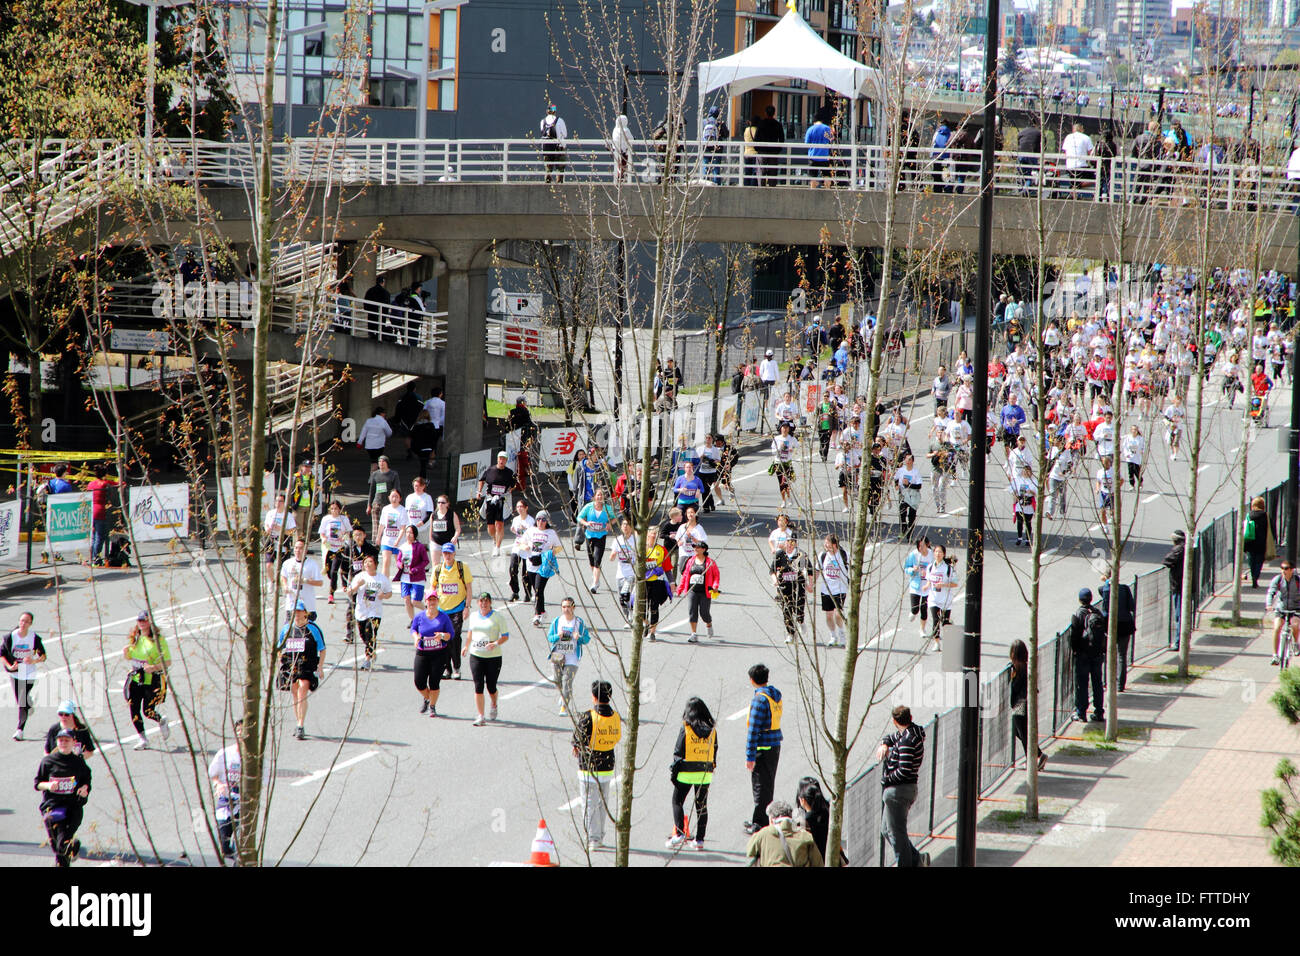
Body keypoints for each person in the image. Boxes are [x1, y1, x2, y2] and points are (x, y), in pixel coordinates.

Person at [877, 704, 928, 867]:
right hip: (903, 789)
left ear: (894, 721)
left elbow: (904, 770)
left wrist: (886, 779)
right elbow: (892, 738)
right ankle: (917, 860)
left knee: (897, 834)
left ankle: (908, 863)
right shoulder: (909, 733)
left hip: (899, 791)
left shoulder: (906, 740)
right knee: (887, 829)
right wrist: (885, 743)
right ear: (910, 718)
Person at [574, 680, 621, 852]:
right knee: (602, 802)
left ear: (594, 697)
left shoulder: (588, 716)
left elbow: (578, 739)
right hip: (607, 765)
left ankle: (593, 838)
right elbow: (617, 738)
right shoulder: (616, 716)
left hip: (589, 766)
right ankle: (600, 835)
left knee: (589, 802)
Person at [665, 697, 717, 851]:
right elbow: (715, 749)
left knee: (677, 801)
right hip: (705, 772)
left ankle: (680, 833)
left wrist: (675, 770)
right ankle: (699, 840)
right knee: (702, 805)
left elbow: (678, 751)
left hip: (687, 771)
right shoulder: (712, 729)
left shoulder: (686, 727)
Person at [35, 728, 92, 866]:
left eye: (67, 740)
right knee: (57, 846)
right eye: (61, 740)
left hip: (73, 807)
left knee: (63, 842)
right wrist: (48, 785)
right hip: (52, 806)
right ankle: (71, 849)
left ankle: (70, 848)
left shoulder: (78, 762)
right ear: (56, 742)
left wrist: (85, 789)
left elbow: (86, 781)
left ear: (73, 742)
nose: (64, 743)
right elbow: (37, 784)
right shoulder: (48, 761)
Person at [743, 663, 783, 835]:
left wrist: (749, 756)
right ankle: (762, 818)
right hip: (774, 745)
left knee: (760, 786)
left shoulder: (759, 700)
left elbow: (753, 730)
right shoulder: (775, 695)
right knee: (767, 785)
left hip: (763, 747)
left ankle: (760, 823)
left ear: (752, 680)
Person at [122, 611, 172, 750]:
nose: (141, 623)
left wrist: (154, 667)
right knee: (134, 709)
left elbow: (167, 661)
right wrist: (126, 653)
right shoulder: (135, 638)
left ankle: (161, 720)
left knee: (148, 710)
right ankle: (143, 739)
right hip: (136, 678)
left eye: (144, 620)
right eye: (139, 620)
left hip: (151, 679)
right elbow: (130, 657)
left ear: (150, 621)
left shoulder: (158, 640)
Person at [277, 602, 326, 739]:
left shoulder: (313, 629)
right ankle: (298, 720)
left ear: (305, 613)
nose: (297, 614)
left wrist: (320, 667)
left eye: (299, 611)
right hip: (291, 665)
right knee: (295, 692)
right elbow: (279, 647)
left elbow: (322, 649)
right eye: (294, 612)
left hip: (307, 665)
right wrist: (281, 660)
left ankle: (300, 725)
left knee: (303, 689)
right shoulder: (286, 629)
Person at [462, 592, 509, 726]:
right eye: (481, 601)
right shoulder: (474, 616)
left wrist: (495, 643)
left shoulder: (498, 617)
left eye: (486, 601)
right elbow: (470, 632)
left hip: (493, 657)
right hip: (476, 655)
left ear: (490, 603)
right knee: (478, 685)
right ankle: (481, 715)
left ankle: (494, 703)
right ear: (478, 603)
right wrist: (466, 646)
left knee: (491, 686)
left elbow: (505, 636)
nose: (484, 604)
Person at [3, 611, 46, 741]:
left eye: (26, 621)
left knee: (22, 701)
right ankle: (28, 705)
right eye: (22, 620)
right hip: (15, 673)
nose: (23, 623)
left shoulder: (34, 638)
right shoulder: (10, 637)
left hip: (28, 672)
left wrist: (33, 661)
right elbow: (2, 653)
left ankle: (20, 730)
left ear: (30, 623)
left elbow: (43, 656)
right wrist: (10, 666)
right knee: (21, 701)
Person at [411, 593, 456, 716]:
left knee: (434, 682)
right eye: (429, 600)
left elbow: (451, 634)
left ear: (438, 602)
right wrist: (416, 637)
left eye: (434, 600)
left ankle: (432, 706)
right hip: (423, 653)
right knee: (419, 682)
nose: (432, 602)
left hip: (439, 653)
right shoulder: (419, 616)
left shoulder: (444, 617)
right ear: (426, 602)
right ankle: (427, 697)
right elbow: (413, 629)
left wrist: (441, 635)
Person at [547, 597, 594, 715]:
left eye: (568, 606)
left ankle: (564, 707)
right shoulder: (557, 621)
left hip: (572, 656)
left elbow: (587, 639)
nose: (566, 609)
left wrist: (580, 638)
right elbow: (550, 638)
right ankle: (563, 695)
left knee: (567, 681)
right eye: (563, 607)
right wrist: (558, 636)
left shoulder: (579, 623)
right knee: (557, 680)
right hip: (558, 654)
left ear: (573, 607)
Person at [346, 552, 392, 671]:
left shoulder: (382, 578)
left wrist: (384, 595)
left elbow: (389, 592)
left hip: (375, 612)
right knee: (363, 635)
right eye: (365, 562)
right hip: (361, 611)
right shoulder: (360, 576)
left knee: (370, 634)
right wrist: (357, 586)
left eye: (370, 562)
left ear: (375, 564)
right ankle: (372, 653)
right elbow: (350, 592)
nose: (367, 564)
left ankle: (367, 659)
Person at [207, 719, 246, 859]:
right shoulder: (224, 753)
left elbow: (262, 779)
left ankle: (238, 858)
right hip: (226, 800)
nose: (241, 733)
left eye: (244, 730)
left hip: (245, 802)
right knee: (224, 843)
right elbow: (213, 774)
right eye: (239, 730)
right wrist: (218, 784)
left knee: (240, 844)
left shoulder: (255, 757)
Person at [433, 542, 472, 680]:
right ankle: (447, 668)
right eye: (445, 553)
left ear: (454, 553)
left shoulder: (462, 568)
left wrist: (467, 607)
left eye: (450, 553)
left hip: (457, 608)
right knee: (443, 639)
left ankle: (457, 667)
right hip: (442, 610)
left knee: (454, 638)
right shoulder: (438, 570)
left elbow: (468, 588)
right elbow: (433, 590)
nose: (447, 556)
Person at [745, 798, 822, 867]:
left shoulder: (763, 833)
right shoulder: (805, 836)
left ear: (771, 819)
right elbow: (818, 863)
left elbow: (750, 851)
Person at [1069, 588, 1106, 723]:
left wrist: (1075, 650)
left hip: (1083, 654)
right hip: (1097, 654)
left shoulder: (1079, 613)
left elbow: (1075, 635)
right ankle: (1099, 712)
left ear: (1080, 599)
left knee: (1082, 684)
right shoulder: (1097, 613)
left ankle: (1081, 713)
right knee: (1097, 683)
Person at [1009, 641, 1047, 771]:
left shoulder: (1020, 670)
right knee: (1019, 731)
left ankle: (1034, 758)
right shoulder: (1025, 667)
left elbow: (1015, 687)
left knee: (1023, 733)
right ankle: (1037, 755)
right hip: (1024, 702)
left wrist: (1012, 678)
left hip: (1020, 704)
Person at [1098, 568, 1136, 693]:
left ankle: (1108, 681)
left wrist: (1107, 582)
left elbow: (1104, 610)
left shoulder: (1106, 590)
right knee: (1122, 655)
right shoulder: (1125, 589)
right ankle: (1120, 684)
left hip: (1112, 625)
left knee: (1110, 654)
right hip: (1126, 624)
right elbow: (1132, 606)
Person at [676, 540, 719, 644]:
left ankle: (708, 624)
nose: (695, 549)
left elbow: (716, 576)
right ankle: (693, 634)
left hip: (705, 592)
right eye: (694, 547)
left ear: (704, 549)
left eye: (698, 547)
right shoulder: (690, 561)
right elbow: (685, 575)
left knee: (704, 613)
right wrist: (680, 589)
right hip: (692, 591)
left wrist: (715, 586)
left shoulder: (710, 562)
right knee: (692, 612)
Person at [770, 536, 812, 644]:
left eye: (792, 543)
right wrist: (775, 580)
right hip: (784, 586)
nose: (789, 545)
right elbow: (772, 570)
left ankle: (801, 621)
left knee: (798, 609)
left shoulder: (801, 555)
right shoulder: (780, 555)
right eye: (788, 543)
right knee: (787, 611)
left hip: (798, 586)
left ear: (796, 544)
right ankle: (791, 634)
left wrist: (810, 584)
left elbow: (809, 570)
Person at [525, 511, 562, 625]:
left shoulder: (551, 533)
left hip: (544, 565)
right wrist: (526, 547)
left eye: (543, 520)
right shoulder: (530, 531)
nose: (540, 522)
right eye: (538, 519)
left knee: (538, 590)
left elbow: (559, 547)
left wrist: (552, 552)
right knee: (536, 590)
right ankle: (542, 610)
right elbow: (520, 543)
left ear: (547, 521)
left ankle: (537, 615)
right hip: (531, 564)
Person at [576, 488, 617, 594]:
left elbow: (615, 518)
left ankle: (595, 583)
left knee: (597, 560)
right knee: (591, 561)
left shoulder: (607, 508)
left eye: (601, 495)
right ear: (594, 497)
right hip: (589, 536)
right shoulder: (588, 507)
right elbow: (579, 517)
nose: (599, 497)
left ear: (604, 497)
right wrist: (586, 523)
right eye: (598, 495)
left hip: (601, 536)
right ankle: (596, 577)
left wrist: (609, 524)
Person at [477, 451, 517, 556]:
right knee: (490, 527)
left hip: (502, 500)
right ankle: (494, 540)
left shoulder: (509, 472)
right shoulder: (490, 470)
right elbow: (481, 480)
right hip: (490, 499)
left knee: (499, 524)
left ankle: (498, 547)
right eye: (500, 458)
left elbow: (513, 485)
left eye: (504, 459)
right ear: (497, 459)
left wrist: (509, 491)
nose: (502, 460)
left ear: (506, 460)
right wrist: (479, 492)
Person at [815, 533, 849, 647]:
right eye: (825, 543)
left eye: (827, 543)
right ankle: (833, 636)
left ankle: (841, 634)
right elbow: (817, 570)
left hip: (840, 589)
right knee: (829, 616)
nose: (825, 545)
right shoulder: (823, 556)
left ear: (834, 544)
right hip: (826, 590)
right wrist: (812, 583)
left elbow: (853, 570)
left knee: (838, 614)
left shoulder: (844, 555)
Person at [922, 543, 958, 650]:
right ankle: (937, 643)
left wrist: (943, 585)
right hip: (934, 599)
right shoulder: (930, 567)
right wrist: (926, 586)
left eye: (940, 552)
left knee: (945, 623)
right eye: (936, 552)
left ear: (944, 554)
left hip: (946, 599)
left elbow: (955, 584)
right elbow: (929, 581)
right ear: (933, 553)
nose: (938, 554)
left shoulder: (948, 569)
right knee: (935, 620)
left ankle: (950, 625)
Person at [279, 537, 324, 624]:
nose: (297, 550)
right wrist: (285, 586)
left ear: (305, 550)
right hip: (291, 605)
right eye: (296, 548)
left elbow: (320, 582)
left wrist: (306, 581)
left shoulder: (312, 564)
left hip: (308, 606)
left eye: (300, 548)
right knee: (290, 632)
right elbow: (283, 576)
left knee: (306, 633)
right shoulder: (287, 563)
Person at [317, 501, 353, 604]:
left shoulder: (343, 519)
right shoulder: (326, 519)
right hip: (329, 547)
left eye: (336, 508)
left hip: (340, 548)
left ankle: (331, 594)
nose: (334, 511)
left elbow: (348, 532)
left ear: (340, 509)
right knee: (329, 572)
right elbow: (322, 533)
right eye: (332, 509)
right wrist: (323, 538)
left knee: (334, 571)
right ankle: (334, 582)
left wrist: (344, 537)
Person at [394, 524, 430, 623]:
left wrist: (415, 569)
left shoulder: (420, 547)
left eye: (411, 533)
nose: (409, 535)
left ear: (415, 534)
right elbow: (398, 560)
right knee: (406, 600)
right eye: (407, 532)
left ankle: (428, 612)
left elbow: (426, 561)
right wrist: (399, 564)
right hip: (405, 577)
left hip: (417, 578)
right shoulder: (403, 547)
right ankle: (413, 620)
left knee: (415, 601)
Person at [1268, 561, 1300, 666]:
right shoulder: (1278, 580)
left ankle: (1295, 643)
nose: (1283, 571)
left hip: (1295, 608)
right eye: (1282, 568)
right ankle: (1275, 655)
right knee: (1277, 627)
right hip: (1281, 608)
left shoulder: (1297, 581)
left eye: (1286, 568)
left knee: (1295, 625)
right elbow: (1271, 592)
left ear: (1291, 570)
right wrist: (1269, 604)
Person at [643, 526, 671, 641]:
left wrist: (672, 582)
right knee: (641, 608)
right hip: (643, 582)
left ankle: (652, 632)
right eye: (652, 533)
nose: (653, 536)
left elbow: (667, 567)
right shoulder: (641, 549)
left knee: (654, 607)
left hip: (657, 582)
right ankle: (646, 623)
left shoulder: (661, 549)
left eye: (656, 534)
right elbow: (634, 564)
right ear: (647, 534)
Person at [86, 463, 118, 566]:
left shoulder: (91, 484)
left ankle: (92, 557)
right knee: (100, 536)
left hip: (91, 511)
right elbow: (120, 483)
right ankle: (96, 558)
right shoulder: (104, 483)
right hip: (101, 511)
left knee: (93, 536)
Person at [365, 454, 401, 541]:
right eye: (379, 461)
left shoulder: (393, 474)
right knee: (376, 526)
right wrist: (369, 505)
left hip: (388, 504)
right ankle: (375, 544)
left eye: (383, 461)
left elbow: (397, 489)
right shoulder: (375, 474)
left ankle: (386, 543)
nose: (381, 463)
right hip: (376, 502)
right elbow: (372, 490)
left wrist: (396, 502)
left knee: (387, 525)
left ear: (387, 463)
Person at [508, 498, 536, 603]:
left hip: (527, 548)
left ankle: (528, 593)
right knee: (512, 569)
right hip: (517, 546)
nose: (519, 509)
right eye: (518, 507)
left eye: (521, 507)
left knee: (526, 573)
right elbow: (513, 529)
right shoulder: (516, 520)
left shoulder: (531, 521)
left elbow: (533, 535)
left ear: (526, 508)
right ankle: (515, 592)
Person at [376, 488, 408, 579]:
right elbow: (382, 524)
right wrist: (378, 537)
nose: (394, 499)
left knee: (400, 564)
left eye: (396, 497)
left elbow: (403, 528)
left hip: (399, 542)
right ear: (389, 497)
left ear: (400, 498)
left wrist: (397, 541)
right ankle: (384, 584)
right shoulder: (385, 509)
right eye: (392, 496)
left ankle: (404, 581)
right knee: (386, 562)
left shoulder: (402, 510)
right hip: (387, 540)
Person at [1163, 530, 1187, 648]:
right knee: (1182, 614)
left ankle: (1179, 642)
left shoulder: (1178, 549)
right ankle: (1181, 640)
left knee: (1179, 615)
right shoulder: (1186, 549)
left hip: (1178, 585)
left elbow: (1167, 560)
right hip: (1183, 584)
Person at [262, 493, 296, 574]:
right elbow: (266, 525)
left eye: (280, 501)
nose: (278, 503)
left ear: (284, 503)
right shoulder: (270, 513)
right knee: (269, 565)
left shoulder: (288, 515)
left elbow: (292, 531)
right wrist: (268, 529)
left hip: (283, 541)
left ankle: (281, 582)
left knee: (284, 567)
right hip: (271, 541)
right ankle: (271, 583)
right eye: (276, 501)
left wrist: (281, 529)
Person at [894, 452, 923, 539]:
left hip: (913, 495)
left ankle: (910, 533)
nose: (908, 461)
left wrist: (909, 484)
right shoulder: (901, 470)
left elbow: (919, 485)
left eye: (910, 459)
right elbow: (896, 478)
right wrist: (896, 485)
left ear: (913, 461)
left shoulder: (915, 472)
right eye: (906, 459)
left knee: (912, 516)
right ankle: (903, 530)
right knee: (902, 513)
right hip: (903, 493)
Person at [755, 104, 785, 186]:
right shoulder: (778, 124)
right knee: (773, 172)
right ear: (774, 113)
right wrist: (777, 150)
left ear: (765, 113)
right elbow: (782, 139)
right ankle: (772, 187)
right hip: (773, 152)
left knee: (761, 172)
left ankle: (761, 188)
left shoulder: (761, 124)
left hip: (762, 151)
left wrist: (758, 149)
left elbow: (756, 138)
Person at [1244, 496, 1270, 589]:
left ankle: (1252, 576)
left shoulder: (1249, 515)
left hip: (1250, 542)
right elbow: (1270, 529)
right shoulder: (1265, 515)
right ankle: (1256, 576)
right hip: (1261, 543)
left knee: (1251, 561)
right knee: (1259, 562)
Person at [427, 493, 461, 563]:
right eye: (438, 502)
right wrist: (430, 540)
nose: (440, 504)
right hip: (435, 542)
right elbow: (431, 529)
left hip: (448, 543)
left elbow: (458, 529)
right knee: (435, 566)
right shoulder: (433, 515)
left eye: (443, 502)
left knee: (449, 564)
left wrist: (455, 537)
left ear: (447, 504)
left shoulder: (452, 514)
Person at [540, 103, 568, 183]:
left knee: (548, 165)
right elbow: (565, 134)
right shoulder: (560, 120)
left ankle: (548, 176)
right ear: (555, 111)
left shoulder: (543, 121)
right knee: (560, 166)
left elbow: (542, 132)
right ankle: (559, 179)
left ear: (547, 111)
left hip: (547, 148)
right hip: (558, 147)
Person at [770, 420, 797, 506]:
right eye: (783, 427)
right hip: (778, 463)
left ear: (789, 429)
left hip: (787, 463)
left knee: (786, 482)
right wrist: (779, 448)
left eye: (786, 427)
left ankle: (789, 497)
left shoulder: (792, 439)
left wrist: (792, 449)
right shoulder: (777, 439)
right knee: (781, 483)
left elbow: (797, 448)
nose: (785, 429)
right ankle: (783, 500)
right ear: (780, 428)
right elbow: (773, 452)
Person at [803, 112, 833, 187]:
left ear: (814, 121)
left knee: (812, 176)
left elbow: (807, 143)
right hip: (824, 156)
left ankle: (813, 191)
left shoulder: (810, 129)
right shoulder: (827, 128)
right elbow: (831, 140)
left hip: (813, 156)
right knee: (826, 175)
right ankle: (828, 190)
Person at [288, 459, 317, 538]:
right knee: (298, 528)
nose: (308, 469)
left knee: (307, 528)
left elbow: (314, 490)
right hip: (299, 505)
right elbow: (291, 491)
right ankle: (297, 546)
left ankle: (305, 547)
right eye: (306, 466)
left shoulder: (312, 477)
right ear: (302, 467)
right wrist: (292, 504)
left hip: (308, 505)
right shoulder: (296, 477)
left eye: (310, 467)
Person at [404, 475, 434, 546]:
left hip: (423, 528)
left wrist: (423, 522)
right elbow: (407, 511)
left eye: (419, 486)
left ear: (423, 486)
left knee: (423, 547)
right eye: (415, 486)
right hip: (411, 527)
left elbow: (429, 513)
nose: (417, 488)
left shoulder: (427, 497)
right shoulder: (409, 497)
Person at [422, 387, 446, 466]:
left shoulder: (427, 402)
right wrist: (439, 423)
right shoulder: (442, 403)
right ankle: (431, 461)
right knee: (434, 443)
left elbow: (424, 413)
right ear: (440, 394)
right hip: (437, 426)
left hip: (427, 425)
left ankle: (427, 459)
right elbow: (443, 416)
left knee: (428, 442)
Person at [611, 113, 633, 183]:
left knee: (618, 164)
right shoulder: (626, 130)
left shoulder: (615, 130)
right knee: (624, 165)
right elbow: (631, 139)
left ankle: (618, 177)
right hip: (624, 151)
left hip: (616, 150)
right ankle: (621, 177)